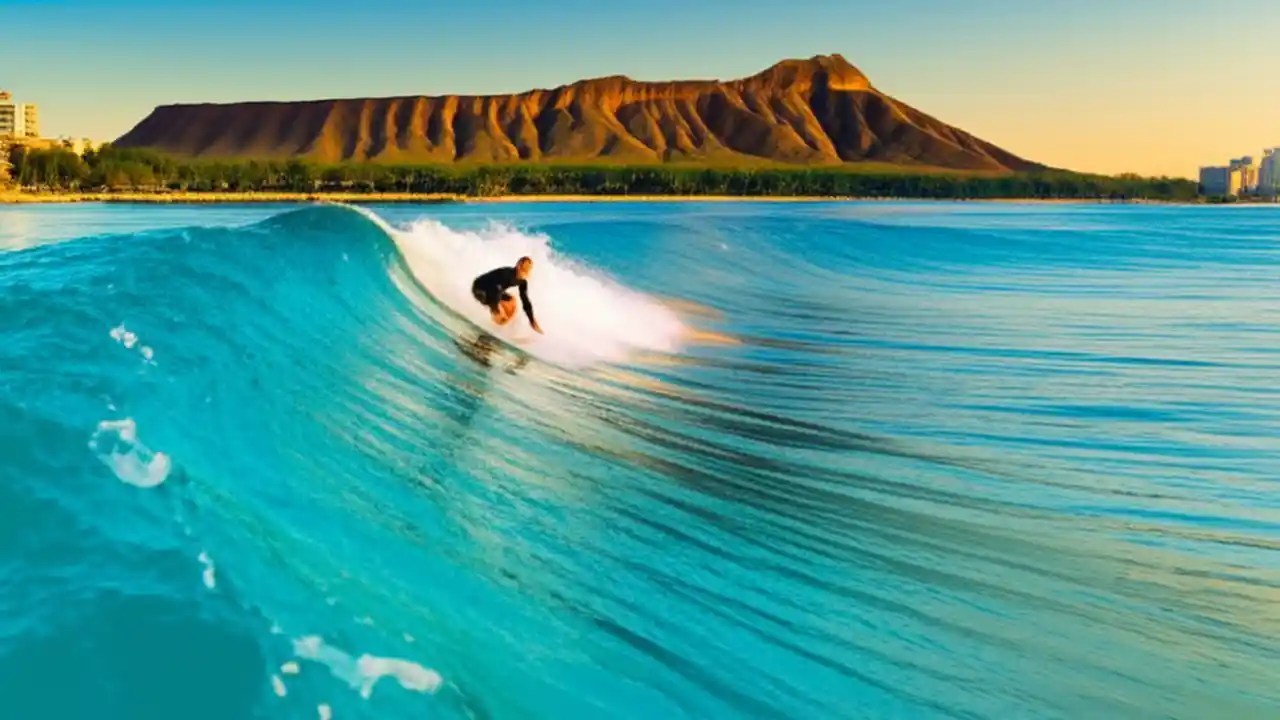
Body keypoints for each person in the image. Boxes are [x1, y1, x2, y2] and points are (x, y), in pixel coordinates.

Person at [470, 256, 543, 333]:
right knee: (499, 303)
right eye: (523, 270)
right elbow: (496, 289)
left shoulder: (522, 282)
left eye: (525, 272)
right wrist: (496, 309)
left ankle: (499, 326)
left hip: (493, 291)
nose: (523, 274)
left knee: (512, 301)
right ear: (518, 265)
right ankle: (492, 326)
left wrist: (532, 320)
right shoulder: (506, 274)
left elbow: (525, 300)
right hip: (479, 290)